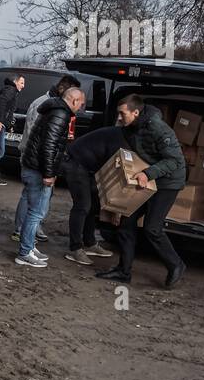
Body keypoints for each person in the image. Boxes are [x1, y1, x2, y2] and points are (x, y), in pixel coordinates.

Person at [95, 95, 187, 288]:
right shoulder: (130, 127)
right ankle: (123, 272)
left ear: (135, 113)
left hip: (169, 180)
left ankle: (176, 265)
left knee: (152, 228)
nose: (119, 118)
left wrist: (147, 173)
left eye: (123, 114)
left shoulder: (158, 128)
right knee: (126, 221)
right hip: (150, 178)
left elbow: (175, 161)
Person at [15, 87, 85, 268]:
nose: (81, 107)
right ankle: (24, 252)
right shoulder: (61, 114)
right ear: (74, 100)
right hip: (38, 170)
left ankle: (29, 247)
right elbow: (49, 146)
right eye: (81, 104)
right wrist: (48, 174)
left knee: (36, 211)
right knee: (36, 212)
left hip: (35, 167)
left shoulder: (54, 110)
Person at [61, 123, 125, 264]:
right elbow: (116, 174)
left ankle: (90, 243)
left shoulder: (127, 139)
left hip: (90, 167)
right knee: (83, 205)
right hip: (76, 162)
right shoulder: (121, 139)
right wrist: (117, 210)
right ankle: (75, 249)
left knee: (94, 205)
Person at [27, 74, 83, 140]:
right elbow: (33, 134)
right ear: (61, 88)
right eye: (71, 92)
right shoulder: (43, 104)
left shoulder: (59, 107)